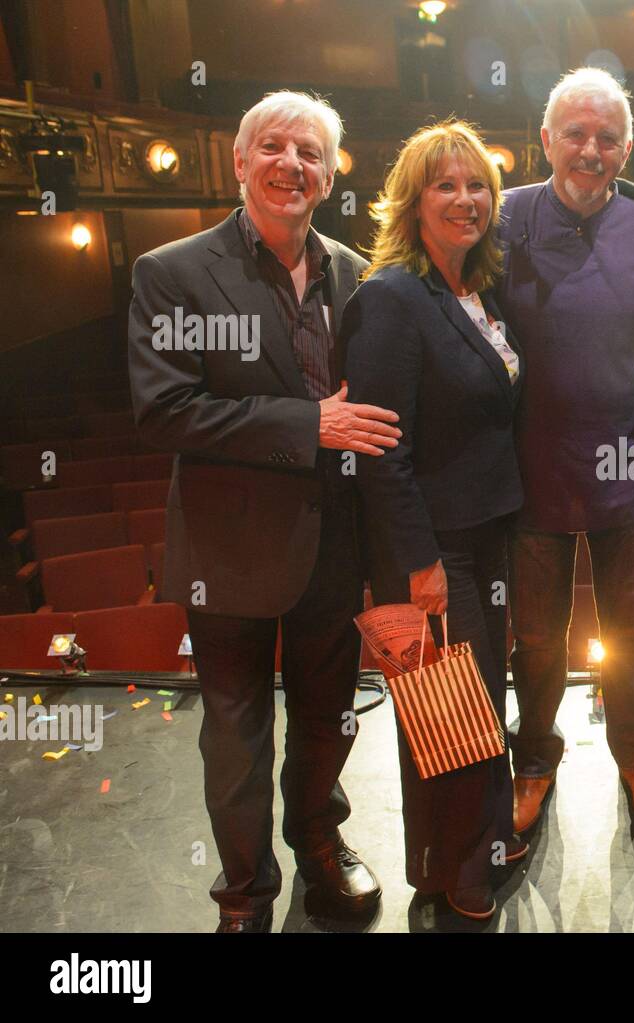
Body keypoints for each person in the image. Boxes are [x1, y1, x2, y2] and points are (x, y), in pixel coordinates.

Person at [128, 91, 397, 932]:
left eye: (311, 152)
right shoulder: (171, 271)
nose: (292, 164)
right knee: (237, 733)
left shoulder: (358, 273)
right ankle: (245, 892)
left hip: (334, 540)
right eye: (273, 147)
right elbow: (164, 409)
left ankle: (320, 844)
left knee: (328, 716)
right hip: (229, 546)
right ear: (239, 162)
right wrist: (306, 423)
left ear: (329, 173)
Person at [342, 119, 527, 922]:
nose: (465, 198)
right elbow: (383, 449)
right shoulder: (390, 298)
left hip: (486, 533)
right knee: (447, 710)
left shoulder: (471, 287)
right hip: (432, 546)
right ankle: (452, 871)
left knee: (481, 696)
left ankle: (486, 836)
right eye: (445, 185)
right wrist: (417, 561)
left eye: (477, 183)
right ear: (412, 201)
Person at [495, 67, 634, 833]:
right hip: (526, 471)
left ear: (628, 147)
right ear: (545, 139)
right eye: (575, 132)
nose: (591, 148)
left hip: (626, 468)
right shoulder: (498, 219)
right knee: (536, 635)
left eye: (608, 137)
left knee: (631, 628)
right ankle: (534, 757)